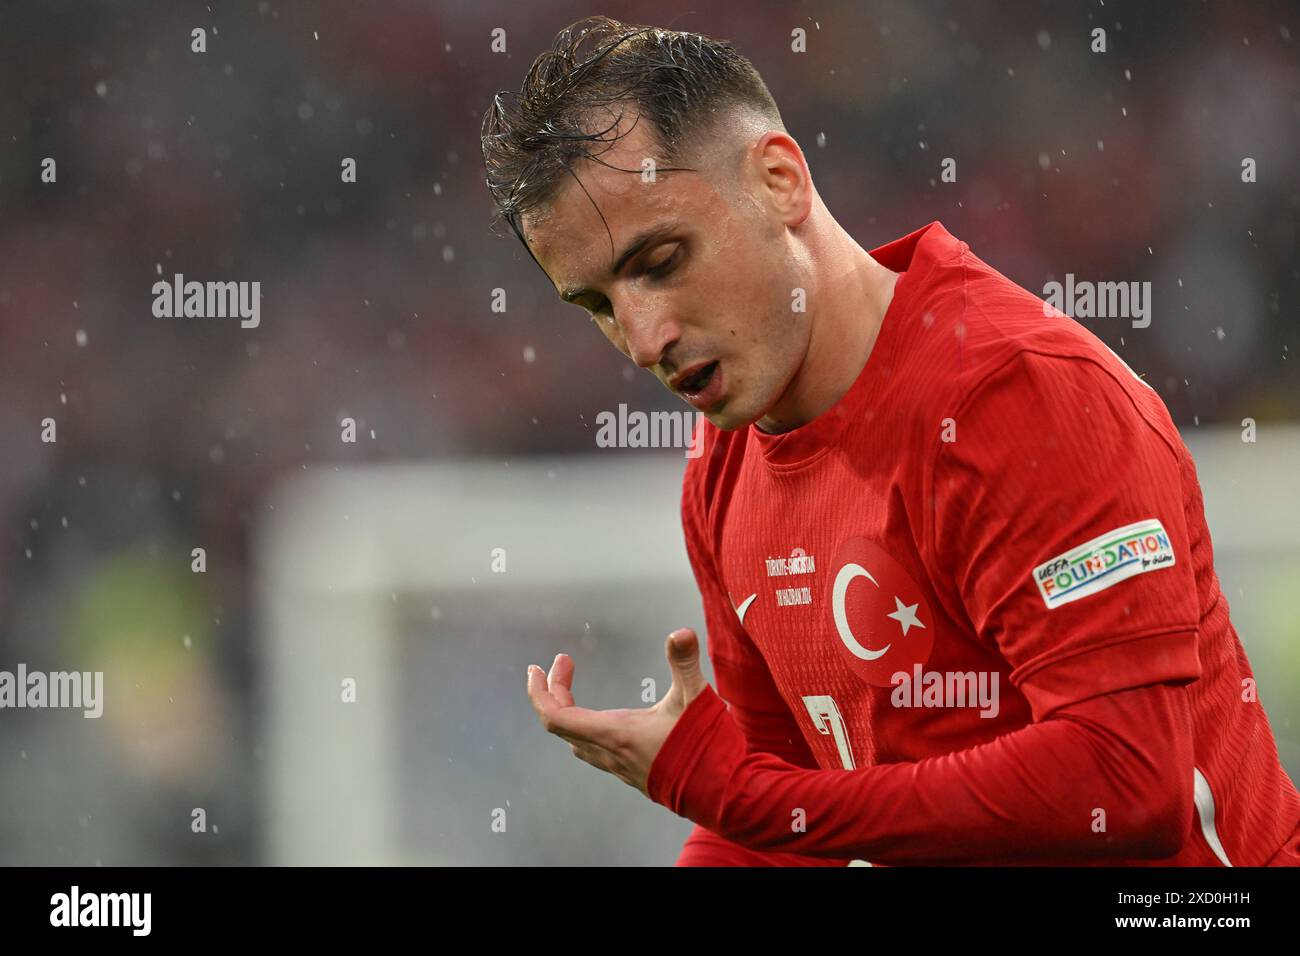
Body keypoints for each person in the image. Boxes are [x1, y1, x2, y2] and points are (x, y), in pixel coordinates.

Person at [481, 16, 1300, 865]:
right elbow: (777, 817)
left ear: (777, 180)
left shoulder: (1016, 394)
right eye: (600, 307)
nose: (644, 337)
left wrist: (754, 799)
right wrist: (750, 802)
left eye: (660, 261)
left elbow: (1127, 782)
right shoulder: (723, 467)